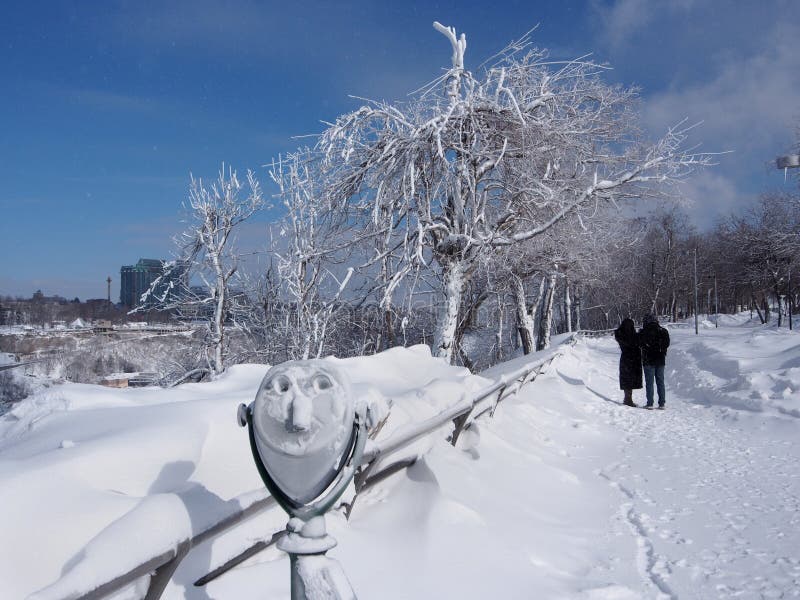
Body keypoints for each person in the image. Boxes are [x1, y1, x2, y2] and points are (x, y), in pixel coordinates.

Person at [639, 313, 670, 409]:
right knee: (660, 381)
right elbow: (667, 344)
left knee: (649, 382)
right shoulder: (663, 331)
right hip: (660, 360)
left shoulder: (643, 332)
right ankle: (662, 403)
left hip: (648, 360)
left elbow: (639, 344)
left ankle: (650, 403)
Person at [614, 318, 642, 407]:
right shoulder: (633, 335)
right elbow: (636, 343)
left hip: (626, 359)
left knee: (626, 379)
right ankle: (628, 399)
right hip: (634, 358)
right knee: (631, 379)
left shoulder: (620, 334)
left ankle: (628, 398)